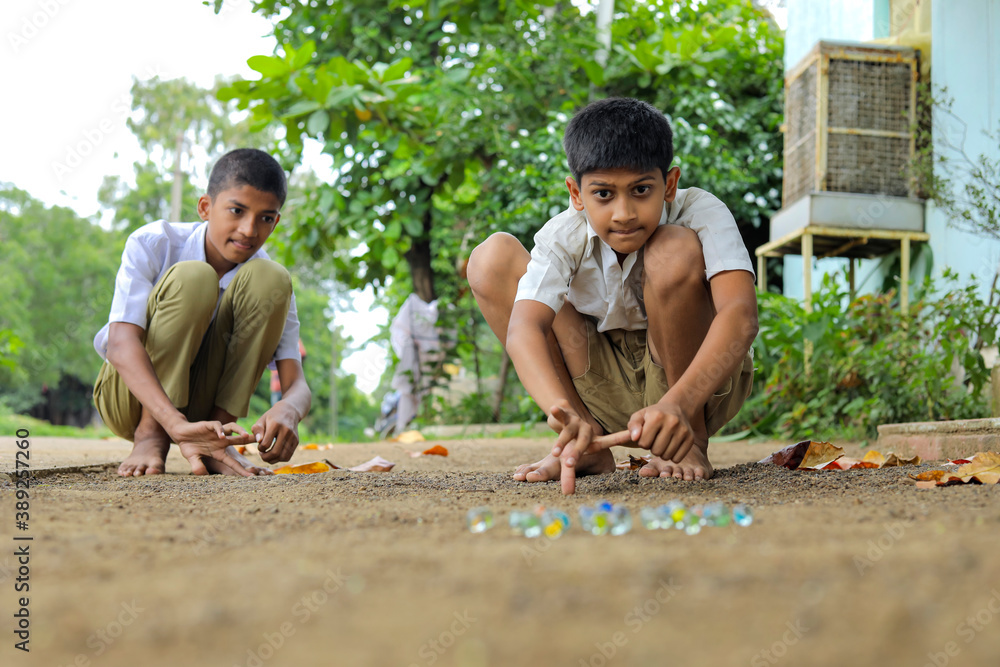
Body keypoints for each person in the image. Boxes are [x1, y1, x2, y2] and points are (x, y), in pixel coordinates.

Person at [466, 97, 758, 494]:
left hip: (697, 387)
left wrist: (681, 406)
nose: (623, 212)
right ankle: (585, 445)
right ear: (576, 194)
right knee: (490, 259)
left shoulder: (701, 211)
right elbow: (524, 330)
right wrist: (565, 415)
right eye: (604, 194)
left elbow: (740, 314)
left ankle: (689, 439)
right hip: (601, 385)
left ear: (669, 185)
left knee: (672, 248)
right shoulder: (563, 235)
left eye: (641, 189)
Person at [93, 148, 311, 477]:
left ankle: (216, 440)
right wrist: (171, 426)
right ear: (205, 208)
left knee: (274, 278)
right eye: (236, 211)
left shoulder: (268, 280)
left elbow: (297, 384)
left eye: (265, 218)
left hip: (203, 410)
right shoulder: (154, 243)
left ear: (276, 221)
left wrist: (290, 408)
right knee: (194, 277)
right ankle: (150, 436)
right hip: (131, 400)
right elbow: (121, 343)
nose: (250, 230)